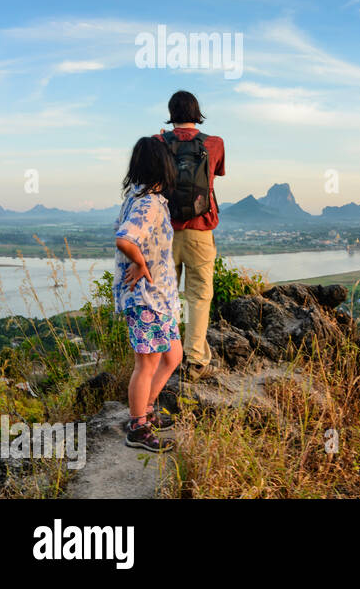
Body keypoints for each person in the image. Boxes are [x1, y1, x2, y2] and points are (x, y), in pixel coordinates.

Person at [114, 137, 184, 453]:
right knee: (147, 363)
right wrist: (140, 262)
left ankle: (148, 410)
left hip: (160, 297)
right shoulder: (147, 203)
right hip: (145, 298)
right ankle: (138, 428)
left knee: (172, 355)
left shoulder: (142, 196)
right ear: (163, 167)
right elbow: (125, 239)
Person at [156, 91, 225, 381]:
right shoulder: (215, 143)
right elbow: (216, 174)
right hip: (200, 231)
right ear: (197, 112)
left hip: (164, 233)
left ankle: (165, 357)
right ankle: (195, 360)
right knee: (198, 296)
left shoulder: (157, 143)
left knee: (163, 295)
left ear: (171, 113)